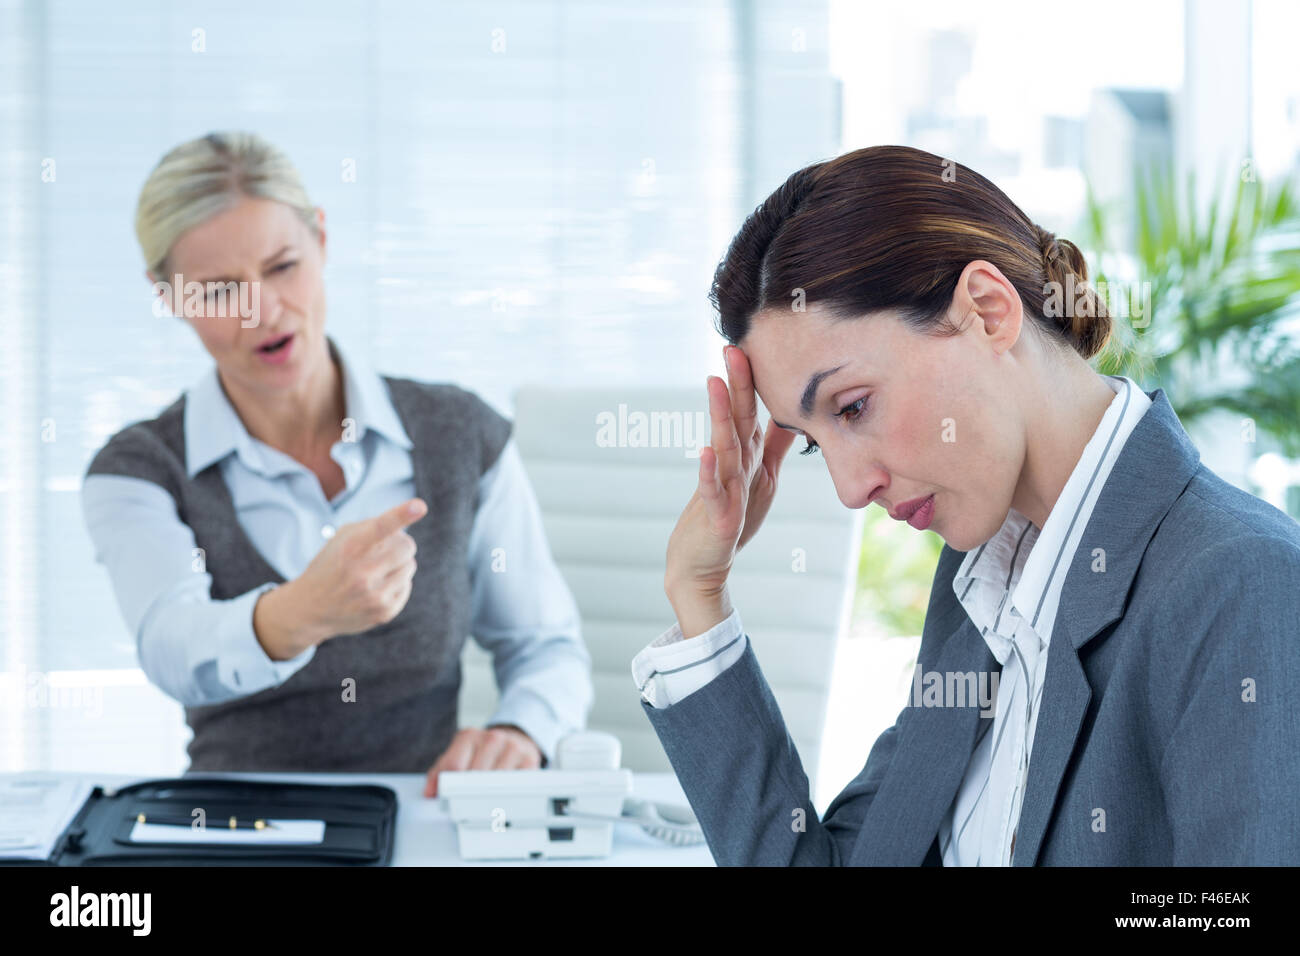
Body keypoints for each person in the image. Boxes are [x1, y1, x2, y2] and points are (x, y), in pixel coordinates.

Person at [633, 144, 1300, 865]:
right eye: (811, 444)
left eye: (853, 407)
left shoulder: (1239, 585)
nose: (851, 489)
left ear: (987, 310)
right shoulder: (982, 586)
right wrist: (700, 599)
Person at [82, 131, 592, 794]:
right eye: (219, 291)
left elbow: (545, 646)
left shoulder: (460, 434)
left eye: (282, 266)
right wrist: (302, 613)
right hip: (234, 825)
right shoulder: (138, 468)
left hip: (421, 818)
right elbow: (171, 646)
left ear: (321, 240)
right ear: (168, 294)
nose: (264, 311)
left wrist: (523, 732)